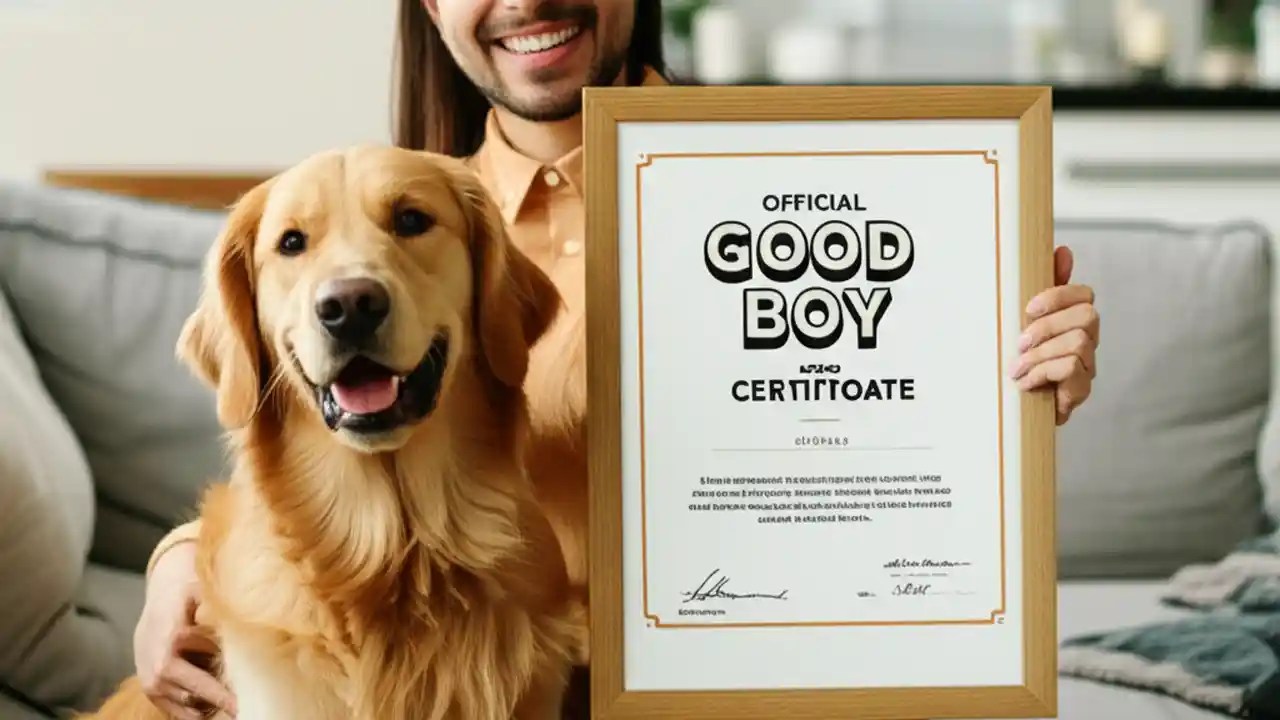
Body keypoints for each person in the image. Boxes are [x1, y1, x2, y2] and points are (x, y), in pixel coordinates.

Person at [132, 1, 1102, 718]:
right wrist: (179, 564)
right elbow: (291, 452)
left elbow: (874, 426)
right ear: (431, 7)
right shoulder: (415, 226)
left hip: (749, 682)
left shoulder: (803, 190)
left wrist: (1010, 383)